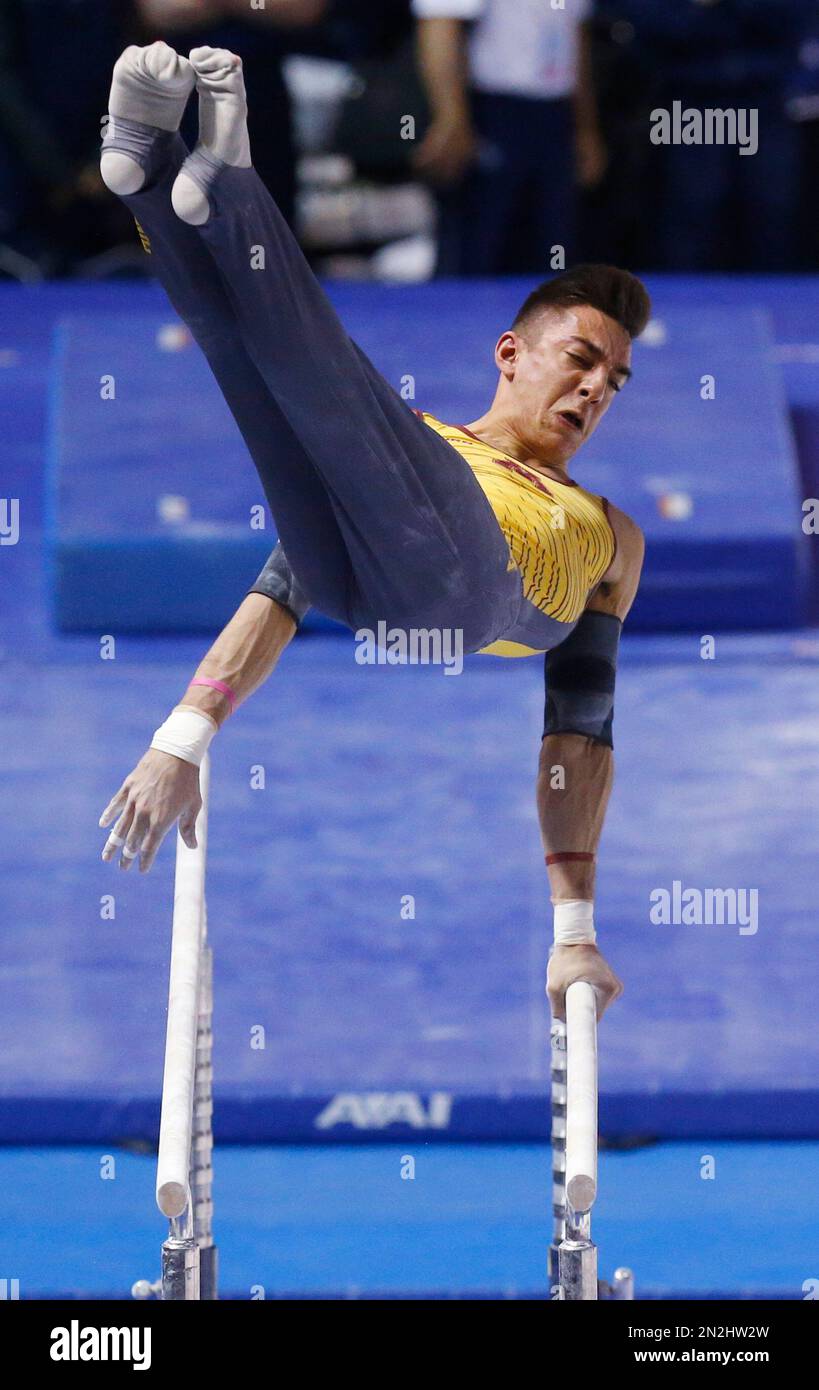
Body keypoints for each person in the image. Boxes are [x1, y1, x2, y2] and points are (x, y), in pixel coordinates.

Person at [97, 42, 647, 1020]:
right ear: (511, 353)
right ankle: (143, 167)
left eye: (615, 380)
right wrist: (181, 740)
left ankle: (222, 187)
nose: (597, 387)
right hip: (358, 577)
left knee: (326, 379)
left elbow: (579, 730)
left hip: (469, 592)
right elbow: (276, 596)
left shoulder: (610, 534)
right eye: (581, 359)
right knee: (259, 371)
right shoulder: (417, 442)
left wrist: (574, 930)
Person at [411, 0, 606, 274]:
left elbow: (576, 36)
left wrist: (585, 128)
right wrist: (452, 119)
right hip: (491, 107)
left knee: (554, 240)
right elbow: (441, 23)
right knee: (482, 241)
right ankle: (467, 315)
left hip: (555, 110)